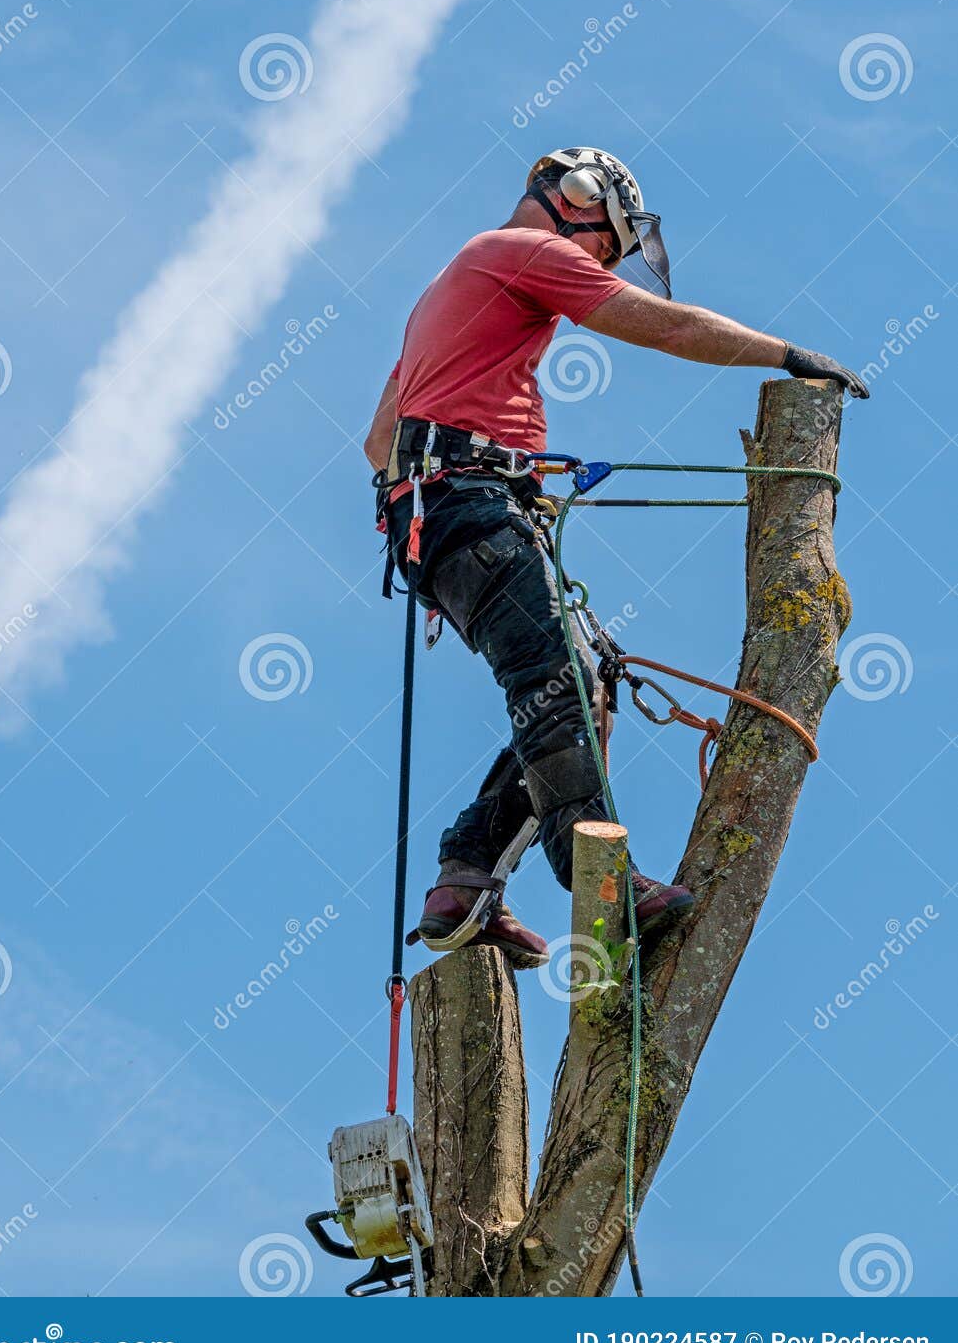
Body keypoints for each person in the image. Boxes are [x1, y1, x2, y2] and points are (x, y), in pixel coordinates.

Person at [365, 147, 868, 969]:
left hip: (438, 515)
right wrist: (787, 356)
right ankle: (602, 879)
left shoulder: (449, 292)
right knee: (556, 677)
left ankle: (466, 876)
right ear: (578, 199)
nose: (604, 259)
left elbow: (379, 442)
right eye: (612, 239)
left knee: (582, 681)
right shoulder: (524, 250)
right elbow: (663, 324)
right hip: (465, 507)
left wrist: (489, 464)